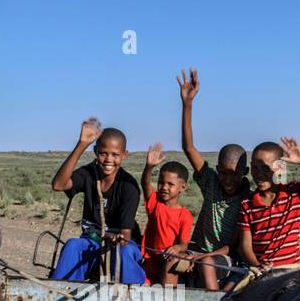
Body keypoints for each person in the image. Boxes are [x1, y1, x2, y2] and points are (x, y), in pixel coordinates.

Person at [176, 68, 251, 290]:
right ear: (217, 169)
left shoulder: (248, 199)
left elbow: (233, 245)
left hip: (226, 258)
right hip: (199, 250)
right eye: (223, 172)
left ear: (244, 173)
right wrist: (187, 104)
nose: (227, 179)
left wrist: (204, 257)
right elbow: (188, 148)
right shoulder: (211, 182)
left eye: (234, 174)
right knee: (171, 261)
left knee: (206, 264)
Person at [49, 118, 146, 284]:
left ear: (124, 155)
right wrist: (82, 144)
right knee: (73, 245)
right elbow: (58, 185)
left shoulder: (128, 186)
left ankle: (133, 298)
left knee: (126, 252)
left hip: (118, 247)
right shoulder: (88, 174)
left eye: (115, 155)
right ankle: (60, 296)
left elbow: (126, 236)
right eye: (103, 153)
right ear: (95, 152)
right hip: (91, 244)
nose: (108, 159)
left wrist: (111, 236)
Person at [238, 137, 300, 272]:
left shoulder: (295, 193)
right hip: (262, 270)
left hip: (291, 269)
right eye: (254, 167)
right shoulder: (247, 204)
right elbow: (246, 245)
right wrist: (257, 266)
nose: (259, 174)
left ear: (279, 168)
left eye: (266, 168)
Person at [139, 142, 193, 286]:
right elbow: (145, 184)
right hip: (149, 263)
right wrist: (149, 167)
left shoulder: (185, 215)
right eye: (161, 182)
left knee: (164, 294)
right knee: (140, 292)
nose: (164, 187)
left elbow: (183, 244)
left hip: (168, 262)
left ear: (183, 187)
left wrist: (177, 248)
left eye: (170, 184)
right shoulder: (155, 202)